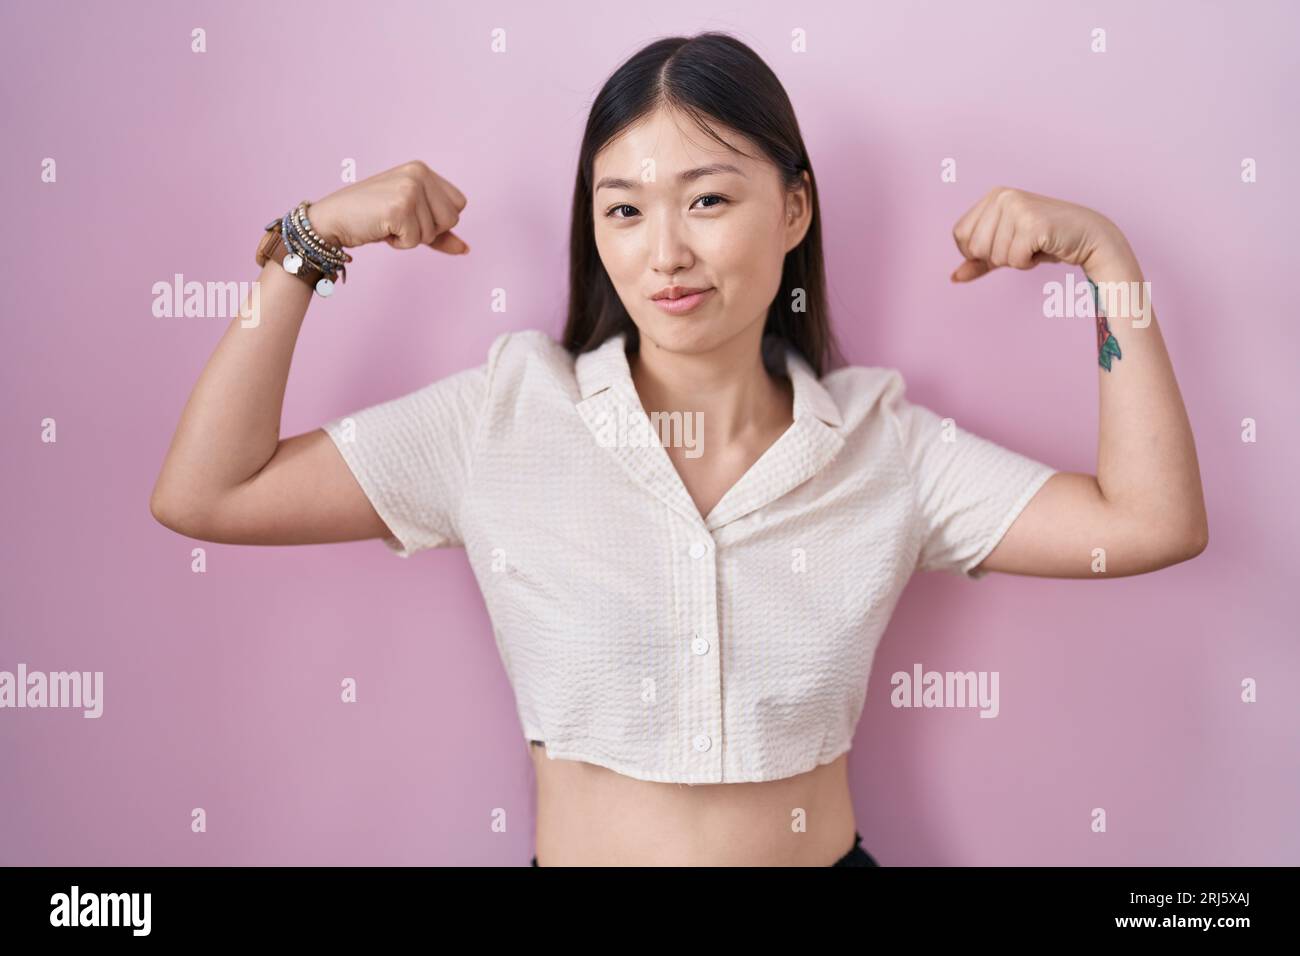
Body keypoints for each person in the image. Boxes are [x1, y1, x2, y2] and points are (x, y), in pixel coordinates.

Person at [149, 33, 1208, 867]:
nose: (665, 251)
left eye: (707, 198)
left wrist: (1106, 261)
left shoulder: (884, 444)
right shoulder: (503, 417)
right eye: (624, 209)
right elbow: (209, 491)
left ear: (792, 207)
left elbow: (1147, 522)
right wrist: (305, 247)